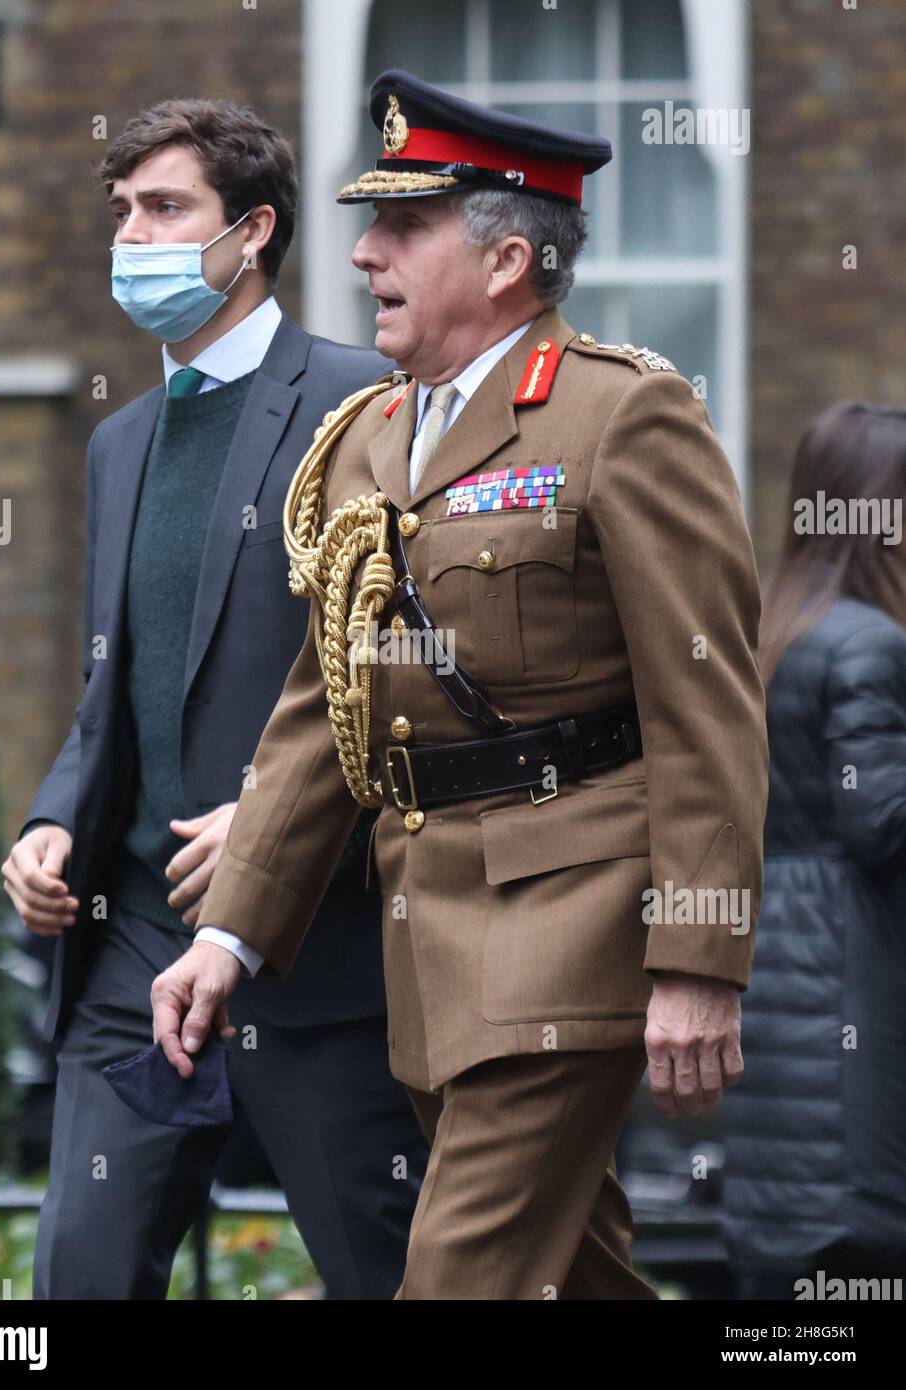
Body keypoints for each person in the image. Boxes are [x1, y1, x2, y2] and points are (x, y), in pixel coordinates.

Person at [150, 70, 770, 1299]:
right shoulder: (370, 441)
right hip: (429, 940)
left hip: (575, 924)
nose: (362, 253)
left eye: (401, 228)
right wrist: (229, 933)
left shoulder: (620, 417)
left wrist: (698, 958)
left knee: (455, 1279)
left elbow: (707, 704)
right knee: (578, 1273)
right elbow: (329, 713)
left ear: (505, 262)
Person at [1, 97, 429, 1300]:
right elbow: (118, 685)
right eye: (122, 210)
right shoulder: (119, 442)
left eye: (163, 208)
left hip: (316, 954)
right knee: (77, 1281)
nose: (130, 236)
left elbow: (403, 670)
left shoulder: (365, 407)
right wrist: (49, 820)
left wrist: (274, 821)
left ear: (251, 232)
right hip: (132, 942)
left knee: (383, 1275)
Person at [724, 401, 906, 1298]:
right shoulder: (871, 643)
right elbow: (880, 818)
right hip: (855, 993)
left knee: (792, 1289)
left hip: (780, 988)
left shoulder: (777, 637)